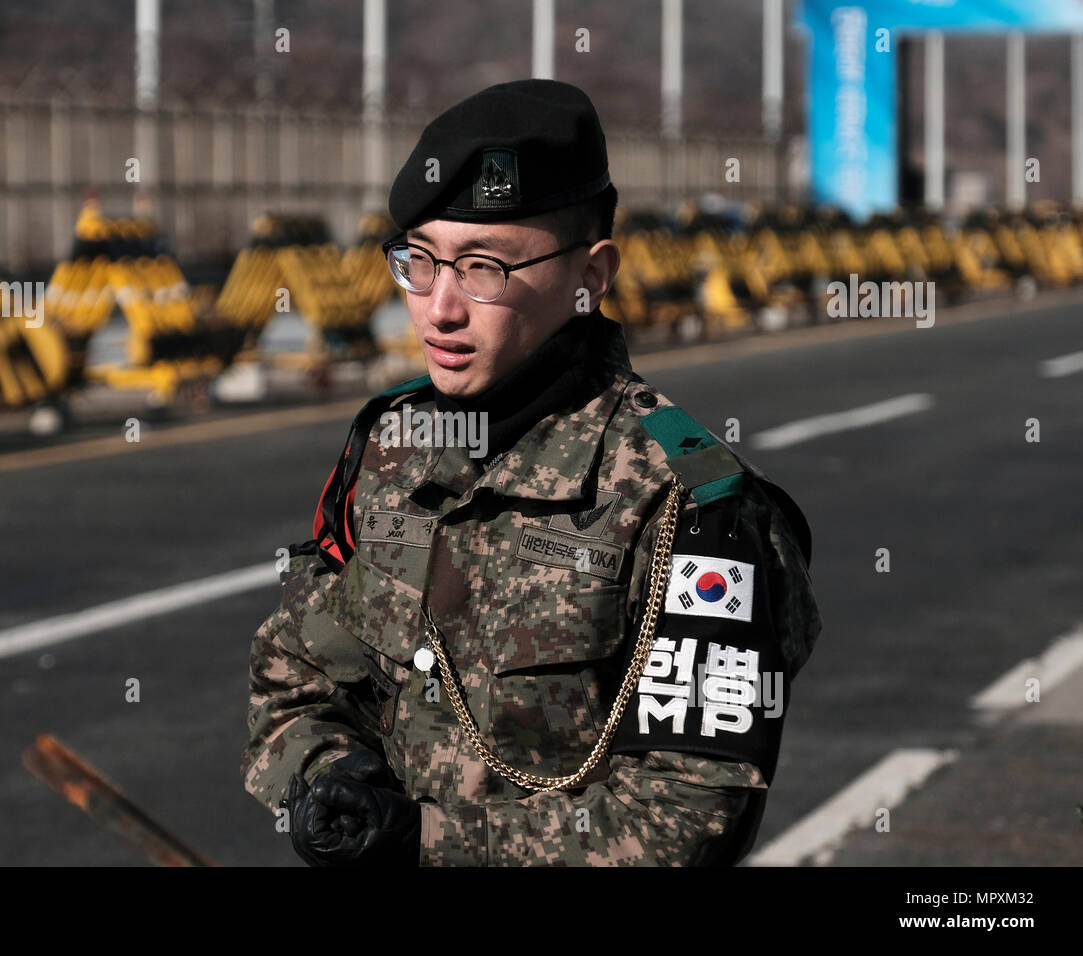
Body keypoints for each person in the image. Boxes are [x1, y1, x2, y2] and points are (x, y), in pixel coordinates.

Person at [241, 79, 821, 866]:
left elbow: (686, 821)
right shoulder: (394, 452)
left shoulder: (688, 504)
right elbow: (299, 676)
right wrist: (331, 774)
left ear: (592, 275)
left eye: (484, 268)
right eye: (420, 261)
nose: (439, 308)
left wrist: (425, 844)